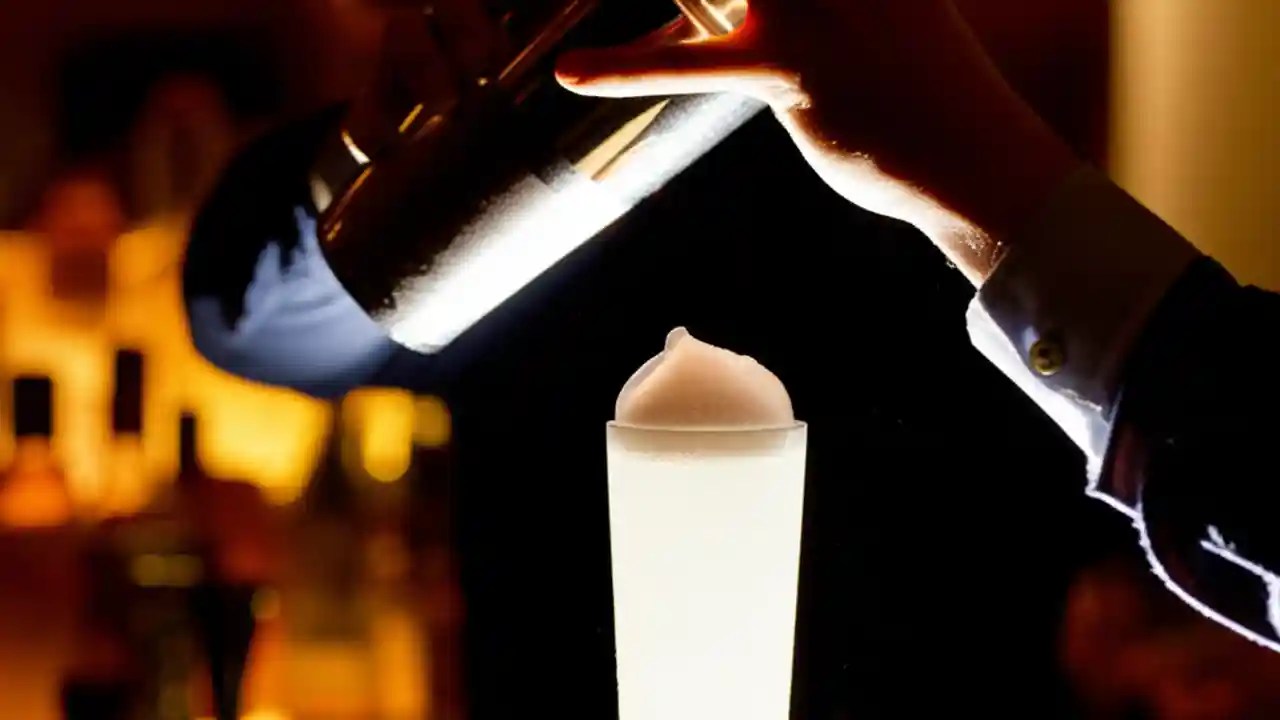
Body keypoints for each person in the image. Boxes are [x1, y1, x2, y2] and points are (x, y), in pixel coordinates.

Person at [184, 0, 1280, 654]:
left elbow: (1155, 460)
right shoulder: (556, 100)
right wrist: (373, 163)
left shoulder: (943, 85)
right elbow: (255, 319)